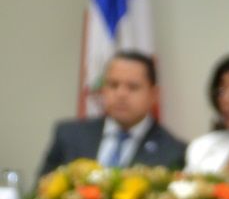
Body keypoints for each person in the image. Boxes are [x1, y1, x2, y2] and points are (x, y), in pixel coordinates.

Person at [39, 50, 186, 177]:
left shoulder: (174, 152)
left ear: (154, 95)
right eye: (113, 85)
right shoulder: (69, 135)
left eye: (133, 87)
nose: (121, 94)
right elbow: (39, 196)